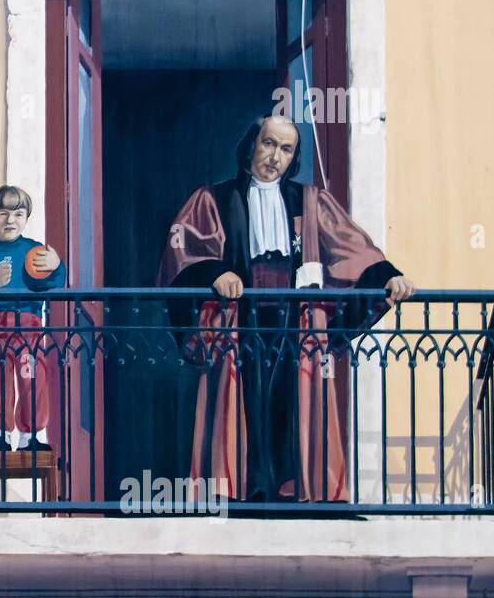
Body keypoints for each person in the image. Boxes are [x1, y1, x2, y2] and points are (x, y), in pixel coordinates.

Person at [156, 115, 416, 503]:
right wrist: (217, 273)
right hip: (240, 318)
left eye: (286, 149)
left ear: (293, 157)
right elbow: (186, 252)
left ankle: (296, 488)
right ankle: (242, 487)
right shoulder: (214, 199)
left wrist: (388, 276)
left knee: (293, 403)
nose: (275, 156)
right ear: (251, 146)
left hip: (296, 321)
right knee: (246, 403)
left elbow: (351, 247)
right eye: (268, 144)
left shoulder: (311, 202)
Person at [0, 186, 65, 452]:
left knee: (33, 378)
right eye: (2, 213)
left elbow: (53, 282)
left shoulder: (34, 249)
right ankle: (1, 434)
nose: (10, 221)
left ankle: (30, 436)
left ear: (26, 218)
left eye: (18, 214)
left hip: (29, 325)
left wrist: (55, 266)